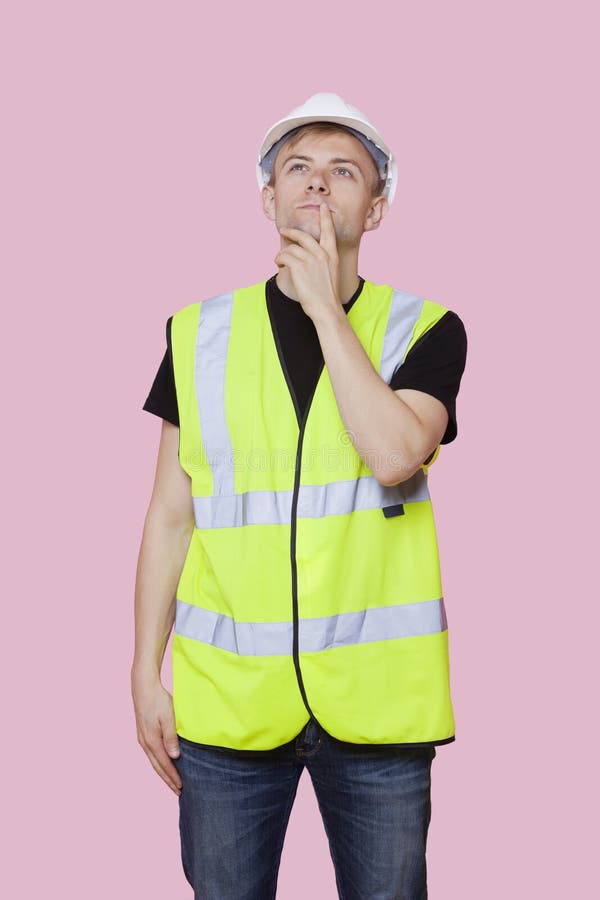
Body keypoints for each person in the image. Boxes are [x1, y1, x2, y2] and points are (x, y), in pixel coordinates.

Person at [131, 92, 468, 900]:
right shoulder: (196, 334)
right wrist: (145, 672)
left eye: (343, 171)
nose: (318, 185)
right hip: (228, 710)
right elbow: (170, 517)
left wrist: (323, 305)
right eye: (299, 168)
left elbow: (394, 453)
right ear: (268, 199)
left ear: (376, 207)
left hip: (379, 714)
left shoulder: (426, 330)